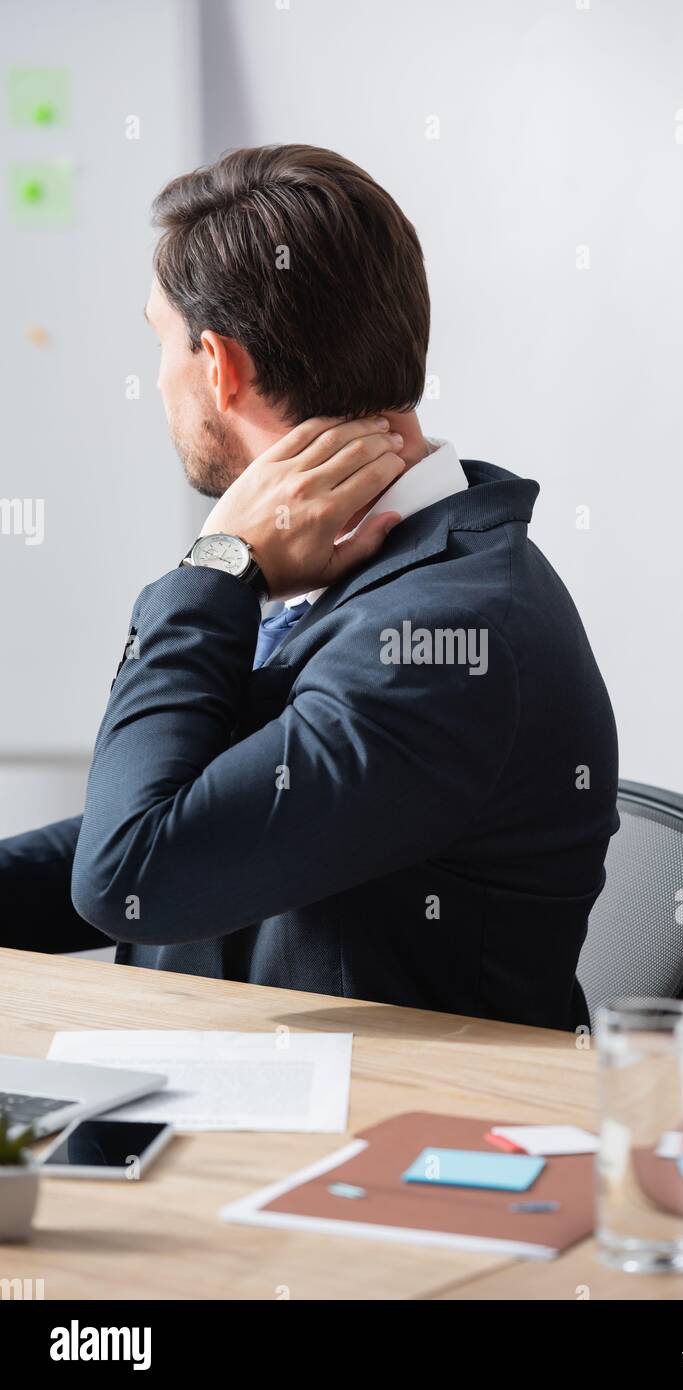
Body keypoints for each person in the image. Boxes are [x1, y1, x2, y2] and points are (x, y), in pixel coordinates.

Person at [0, 145, 618, 1031]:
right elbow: (195, 807)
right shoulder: (362, 559)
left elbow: (130, 869)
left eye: (158, 343)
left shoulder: (445, 638)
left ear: (220, 365)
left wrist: (212, 566)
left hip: (381, 1140)